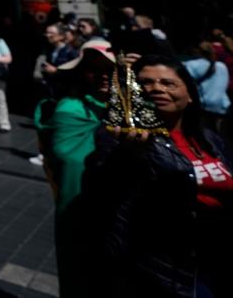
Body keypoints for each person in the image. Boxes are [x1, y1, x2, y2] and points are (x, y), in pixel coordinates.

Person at [84, 55, 231, 298]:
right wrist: (126, 156)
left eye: (168, 83)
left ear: (190, 94)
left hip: (214, 262)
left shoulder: (211, 140)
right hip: (163, 273)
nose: (156, 88)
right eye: (145, 83)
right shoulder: (121, 136)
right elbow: (98, 187)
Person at [32, 39, 112, 298]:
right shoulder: (71, 109)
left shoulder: (129, 109)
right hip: (81, 212)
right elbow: (72, 161)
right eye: (94, 68)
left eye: (111, 69)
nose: (104, 75)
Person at [182, 43, 229, 134]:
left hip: (203, 105)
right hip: (222, 106)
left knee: (203, 134)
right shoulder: (222, 66)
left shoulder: (192, 65)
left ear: (196, 51)